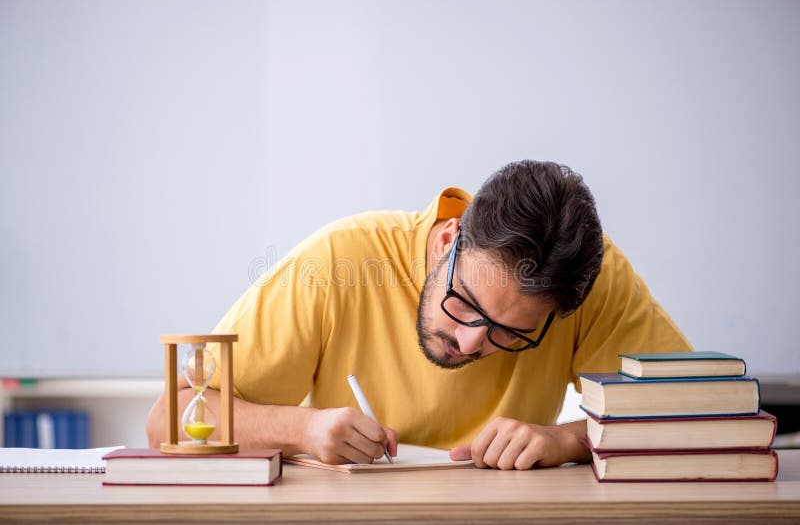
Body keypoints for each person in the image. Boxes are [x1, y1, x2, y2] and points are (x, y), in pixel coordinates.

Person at [146, 160, 692, 470]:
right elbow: (164, 420)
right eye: (467, 304)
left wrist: (567, 439)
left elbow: (690, 415)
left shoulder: (589, 281)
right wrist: (301, 428)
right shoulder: (337, 262)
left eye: (511, 332)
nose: (473, 341)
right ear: (448, 241)